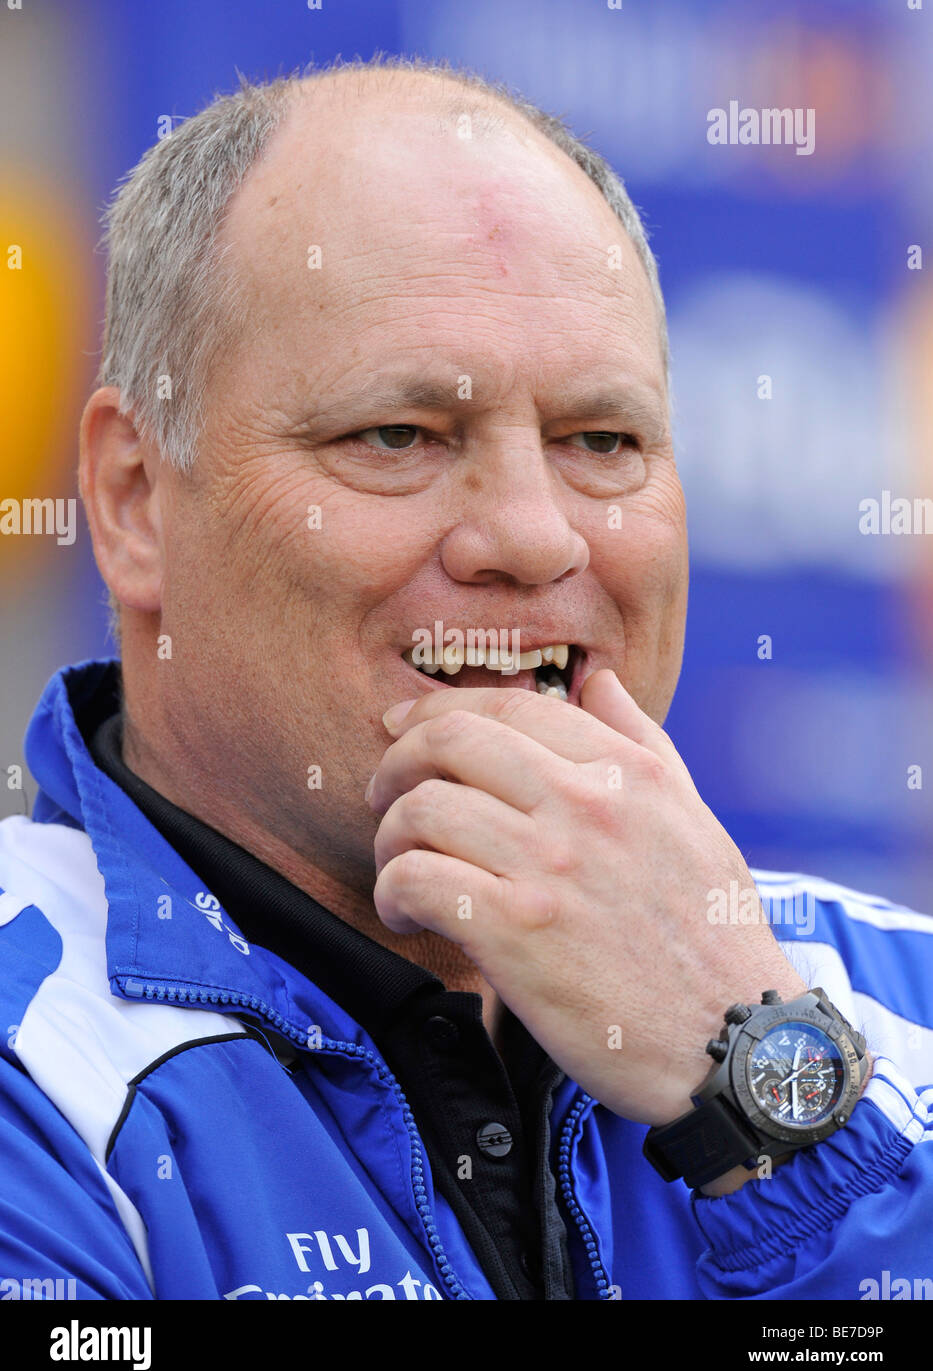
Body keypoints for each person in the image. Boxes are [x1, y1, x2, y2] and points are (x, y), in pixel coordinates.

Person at [1, 56, 930, 1302]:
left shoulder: (902, 993)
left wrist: (765, 1099)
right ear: (134, 501)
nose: (536, 536)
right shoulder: (30, 1060)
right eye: (399, 436)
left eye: (601, 440)